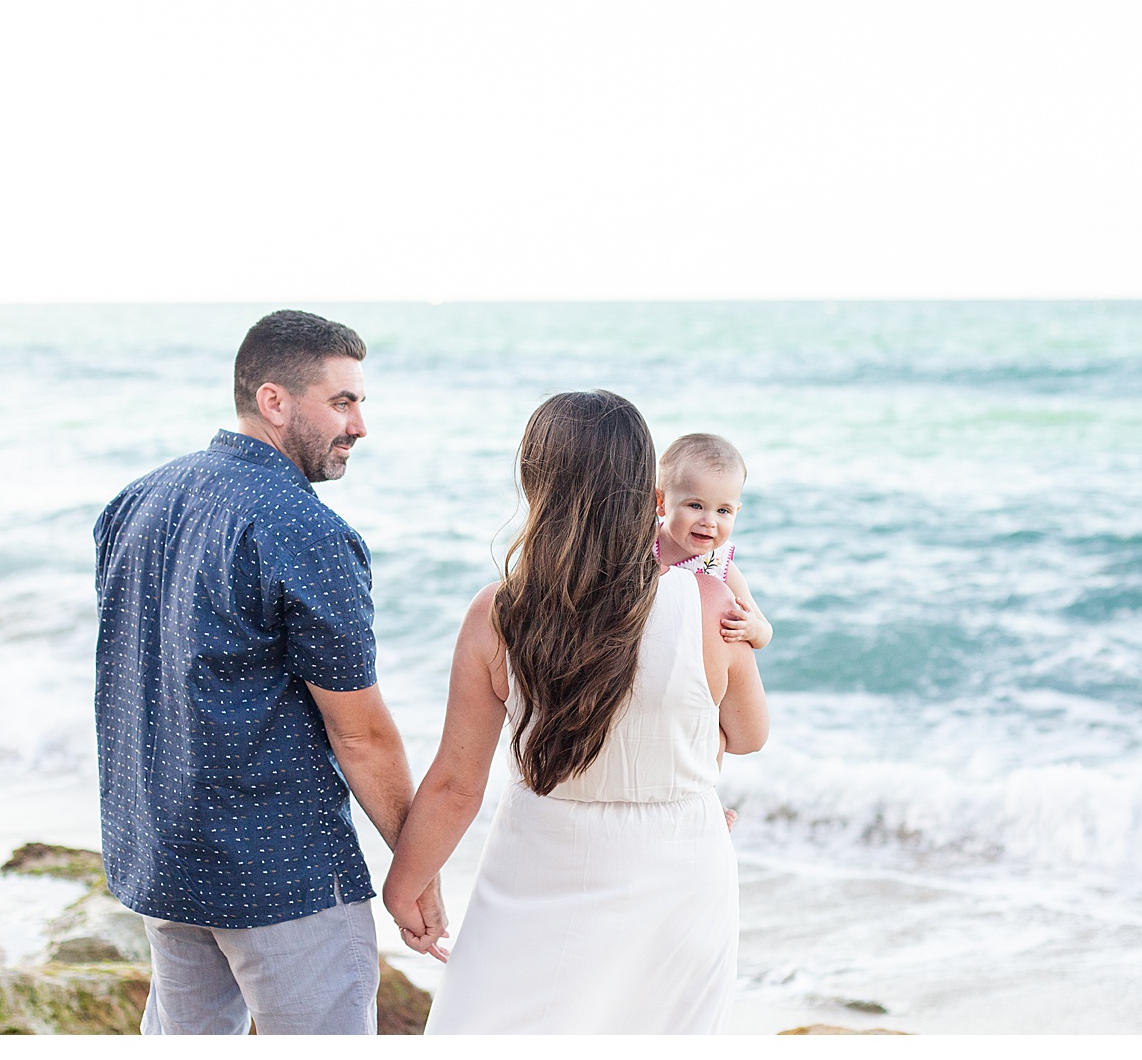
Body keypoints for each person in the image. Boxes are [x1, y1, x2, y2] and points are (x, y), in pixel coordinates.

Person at [92, 309, 444, 1035]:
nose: (359, 426)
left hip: (166, 856)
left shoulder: (135, 501)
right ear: (274, 401)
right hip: (281, 873)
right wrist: (417, 868)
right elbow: (364, 736)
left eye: (360, 402)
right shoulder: (306, 530)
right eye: (341, 401)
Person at [381, 390, 769, 1034]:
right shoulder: (710, 599)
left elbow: (455, 785)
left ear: (537, 484)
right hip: (682, 867)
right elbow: (750, 735)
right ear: (649, 495)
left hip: (539, 866)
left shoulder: (498, 611)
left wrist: (407, 884)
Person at [655, 432, 773, 650]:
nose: (709, 521)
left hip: (694, 661)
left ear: (736, 511)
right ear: (661, 502)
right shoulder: (642, 546)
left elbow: (765, 631)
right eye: (695, 506)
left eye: (723, 510)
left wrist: (751, 629)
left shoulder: (720, 565)